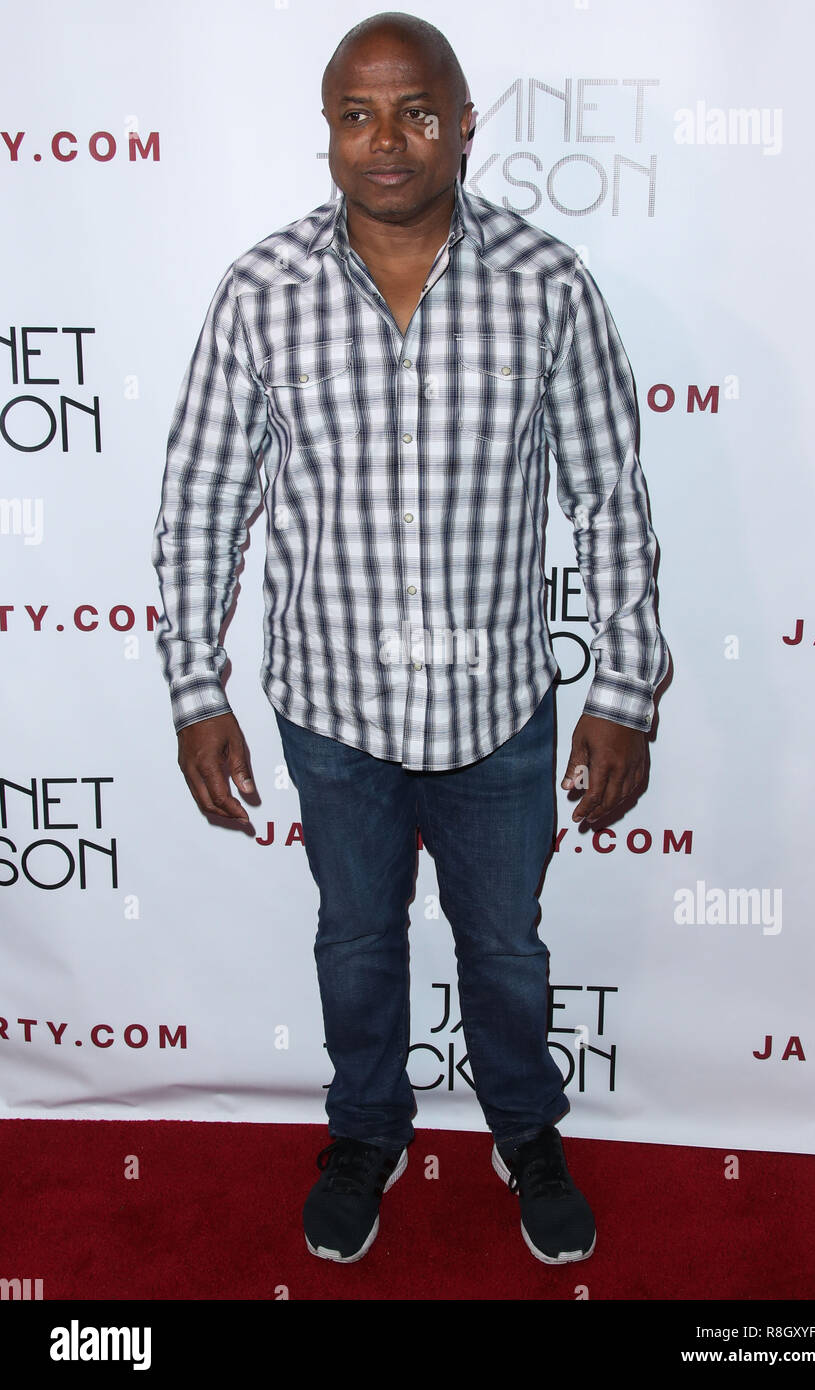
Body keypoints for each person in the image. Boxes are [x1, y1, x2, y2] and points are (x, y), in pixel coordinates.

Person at [151, 10, 669, 1267]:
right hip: (329, 711)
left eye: (416, 111)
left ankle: (524, 1130)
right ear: (327, 130)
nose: (387, 140)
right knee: (352, 936)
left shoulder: (546, 284)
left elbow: (608, 495)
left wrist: (624, 691)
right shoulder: (259, 291)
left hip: (497, 709)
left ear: (464, 124)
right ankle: (365, 1131)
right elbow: (204, 497)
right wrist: (193, 690)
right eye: (356, 114)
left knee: (504, 943)